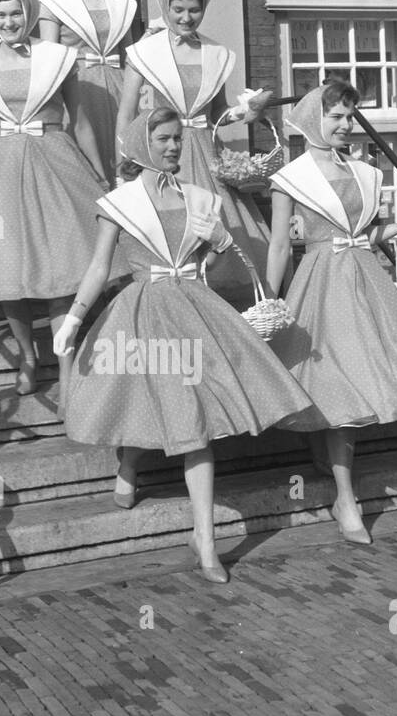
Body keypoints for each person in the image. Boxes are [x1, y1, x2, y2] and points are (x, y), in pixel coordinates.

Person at [54, 107, 318, 584]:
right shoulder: (120, 202)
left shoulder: (200, 198)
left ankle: (206, 541)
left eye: (177, 138)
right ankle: (130, 463)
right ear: (141, 145)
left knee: (194, 424)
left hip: (196, 308)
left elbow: (215, 265)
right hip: (141, 312)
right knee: (146, 402)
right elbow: (98, 267)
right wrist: (74, 317)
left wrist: (217, 244)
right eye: (163, 139)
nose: (174, 147)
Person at [265, 80, 397, 545]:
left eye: (350, 116)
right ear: (313, 120)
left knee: (358, 384)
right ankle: (346, 496)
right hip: (320, 283)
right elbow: (280, 244)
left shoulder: (364, 171)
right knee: (337, 387)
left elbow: (369, 233)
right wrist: (271, 298)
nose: (345, 124)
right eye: (336, 116)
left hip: (364, 280)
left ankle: (337, 482)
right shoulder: (291, 177)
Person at [0, 0, 110, 401]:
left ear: (29, 13)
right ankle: (27, 357)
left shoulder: (57, 58)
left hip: (54, 159)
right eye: (0, 16)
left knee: (62, 268)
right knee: (9, 269)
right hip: (3, 168)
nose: (8, 22)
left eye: (15, 13)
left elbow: (82, 123)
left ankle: (67, 363)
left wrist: (101, 175)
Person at [116, 0, 271, 305]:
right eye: (178, 10)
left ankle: (215, 310)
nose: (186, 18)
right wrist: (125, 161)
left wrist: (247, 113)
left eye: (194, 10)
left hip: (203, 150)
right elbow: (126, 112)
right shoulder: (146, 51)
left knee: (217, 233)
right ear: (166, 7)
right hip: (164, 150)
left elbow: (217, 116)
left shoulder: (215, 53)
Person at [38, 0, 138, 182]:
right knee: (84, 162)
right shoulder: (54, 3)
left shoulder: (121, 3)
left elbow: (128, 53)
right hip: (78, 88)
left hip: (118, 88)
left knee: (122, 153)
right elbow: (50, 56)